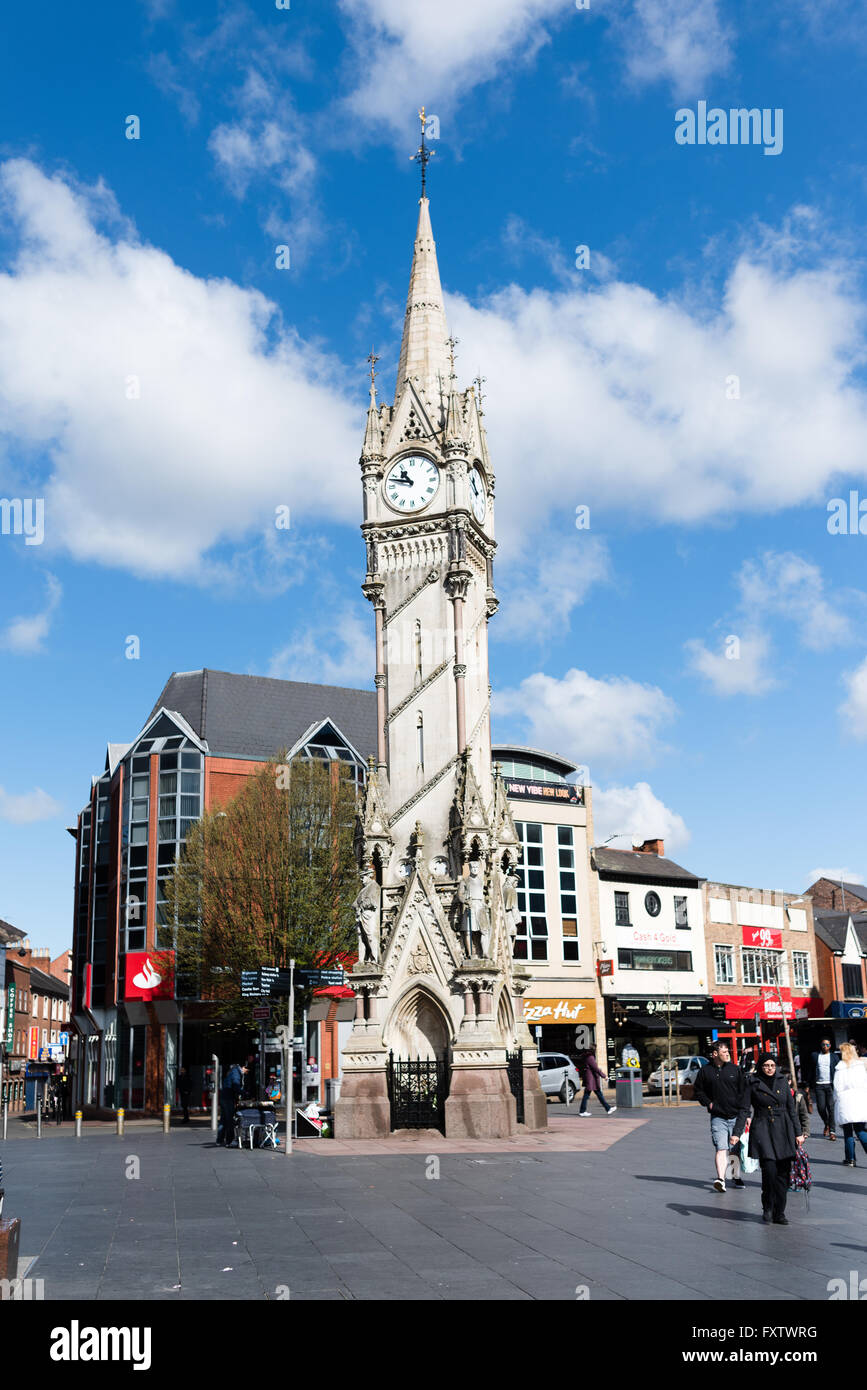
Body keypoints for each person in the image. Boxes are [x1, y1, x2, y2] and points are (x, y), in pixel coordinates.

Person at [747, 1052, 804, 1224]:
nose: (769, 1069)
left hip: (783, 1129)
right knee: (769, 1172)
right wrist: (737, 1132)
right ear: (760, 1066)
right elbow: (744, 1108)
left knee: (783, 1175)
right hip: (763, 1129)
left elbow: (791, 1110)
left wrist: (798, 1133)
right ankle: (768, 1207)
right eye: (766, 1065)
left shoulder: (782, 1081)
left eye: (772, 1065)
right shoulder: (753, 1082)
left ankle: (780, 1212)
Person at [693, 1040, 750, 1193]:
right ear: (715, 1054)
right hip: (718, 1117)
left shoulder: (735, 1070)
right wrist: (708, 1103)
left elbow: (744, 1093)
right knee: (721, 1147)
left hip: (736, 1116)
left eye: (728, 1052)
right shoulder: (705, 1071)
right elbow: (698, 1090)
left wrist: (747, 1115)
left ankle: (735, 1176)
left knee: (734, 1149)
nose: (728, 1055)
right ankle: (721, 1179)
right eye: (724, 1052)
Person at [833, 1042, 867, 1168]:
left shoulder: (840, 1067)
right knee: (860, 1130)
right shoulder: (859, 1066)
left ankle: (850, 1159)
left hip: (845, 1101)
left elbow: (837, 1087)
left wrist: (835, 1100)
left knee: (848, 1132)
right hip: (859, 1099)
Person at [810, 1039, 839, 1141]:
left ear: (830, 1046)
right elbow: (811, 1070)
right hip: (819, 1085)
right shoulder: (815, 1056)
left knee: (831, 1108)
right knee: (821, 1107)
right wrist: (808, 1085)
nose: (825, 1046)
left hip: (830, 1085)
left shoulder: (834, 1057)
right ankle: (826, 1123)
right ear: (821, 1045)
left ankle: (832, 1131)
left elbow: (838, 1071)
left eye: (827, 1044)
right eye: (823, 1044)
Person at [576, 1047, 616, 1116]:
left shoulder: (587, 1056)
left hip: (591, 1079)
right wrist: (604, 1076)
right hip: (591, 1079)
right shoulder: (590, 1057)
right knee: (588, 1095)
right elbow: (596, 1068)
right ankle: (582, 1111)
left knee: (597, 1094)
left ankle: (608, 1108)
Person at [216, 1062, 247, 1146]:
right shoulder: (236, 1072)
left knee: (223, 1119)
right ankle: (229, 1141)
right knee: (230, 1119)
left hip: (224, 1097)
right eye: (246, 1070)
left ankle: (219, 1140)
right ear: (243, 1067)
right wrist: (244, 1093)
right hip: (228, 1098)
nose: (246, 1072)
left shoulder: (233, 1071)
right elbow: (236, 1086)